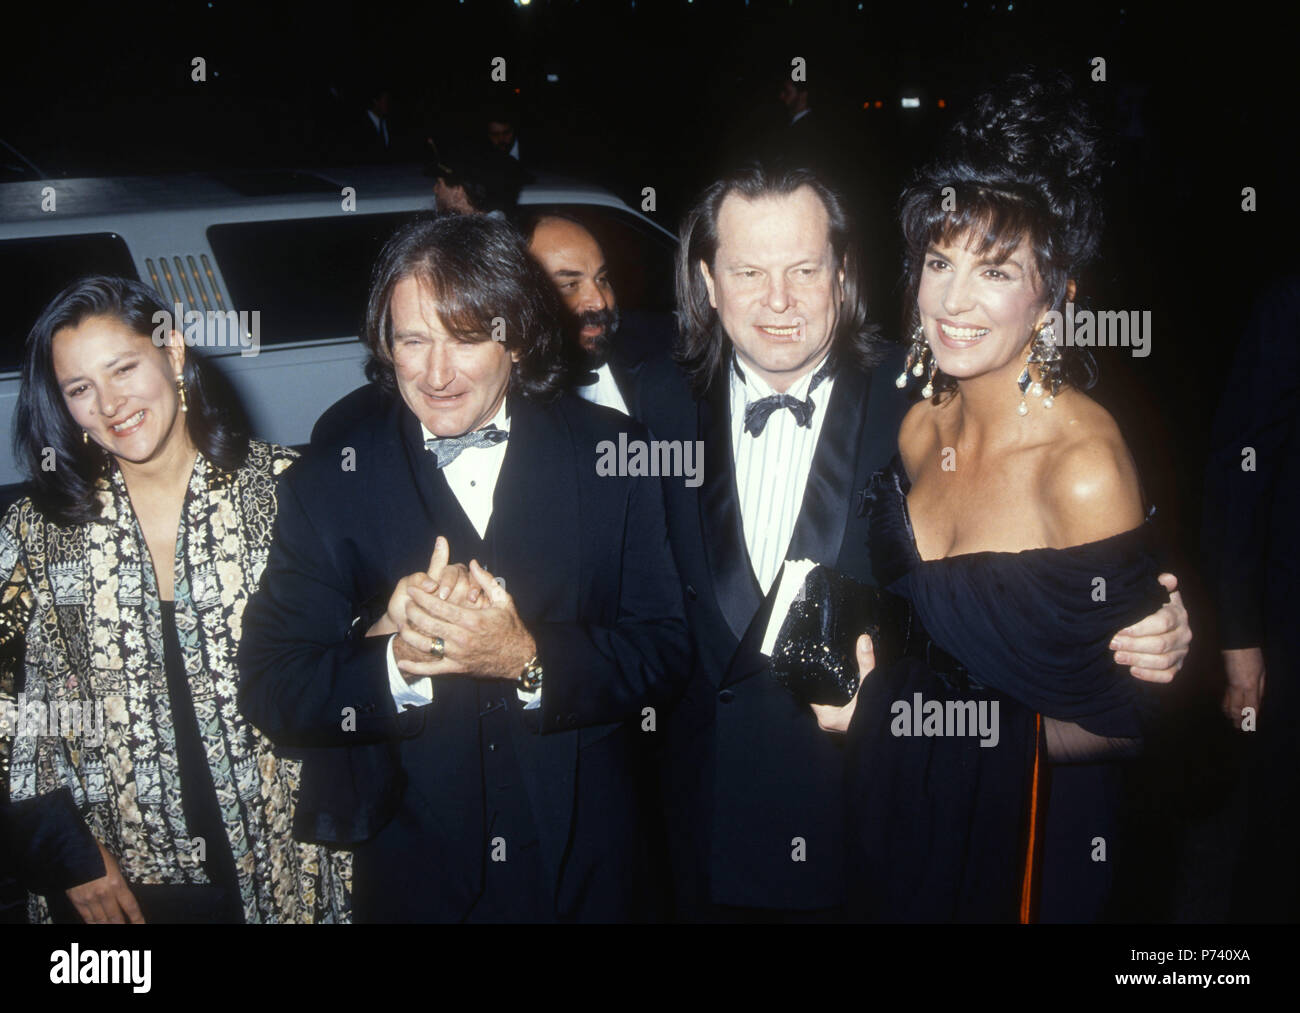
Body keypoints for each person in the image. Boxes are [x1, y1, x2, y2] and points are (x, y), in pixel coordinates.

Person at [633, 157, 1192, 922]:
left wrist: (1153, 621)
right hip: (707, 849)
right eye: (747, 271)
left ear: (843, 274)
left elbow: (1114, 690)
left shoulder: (911, 388)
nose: (778, 302)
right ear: (705, 279)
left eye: (804, 268)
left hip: (897, 843)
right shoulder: (644, 405)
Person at [237, 214, 689, 923]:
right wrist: (395, 660)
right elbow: (271, 685)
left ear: (519, 339)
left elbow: (665, 647)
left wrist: (531, 659)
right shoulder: (329, 480)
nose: (436, 374)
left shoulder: (617, 456)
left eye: (467, 338)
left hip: (592, 867)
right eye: (413, 340)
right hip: (418, 879)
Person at [843, 70, 1180, 921]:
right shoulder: (919, 423)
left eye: (995, 271)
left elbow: (1131, 719)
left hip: (1030, 847)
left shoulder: (1082, 466)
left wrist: (904, 722)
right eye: (939, 261)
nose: (951, 301)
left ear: (1053, 296)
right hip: (904, 819)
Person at [0, 276, 350, 924]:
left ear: (175, 353)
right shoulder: (37, 532)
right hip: (121, 886)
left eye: (124, 368)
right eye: (80, 389)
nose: (109, 403)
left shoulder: (286, 493)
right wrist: (65, 851)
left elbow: (347, 670)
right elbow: (10, 707)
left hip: (291, 865)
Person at [525, 212, 672, 417]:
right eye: (570, 285)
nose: (599, 301)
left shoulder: (666, 347)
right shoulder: (509, 405)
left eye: (602, 279)